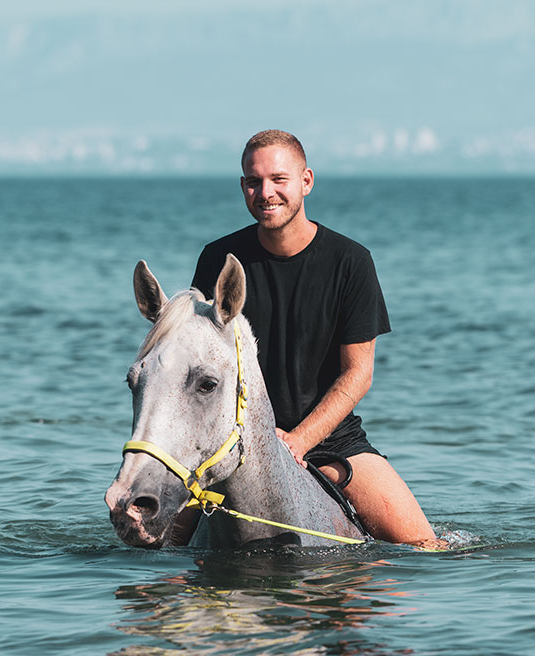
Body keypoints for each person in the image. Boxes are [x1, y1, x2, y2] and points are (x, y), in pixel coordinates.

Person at [186, 129, 446, 550]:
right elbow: (199, 359)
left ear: (306, 181)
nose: (265, 193)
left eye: (279, 179)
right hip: (233, 442)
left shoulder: (351, 262)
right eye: (254, 182)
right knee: (151, 548)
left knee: (426, 548)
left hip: (331, 443)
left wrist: (298, 441)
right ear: (242, 186)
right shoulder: (219, 259)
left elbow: (358, 374)